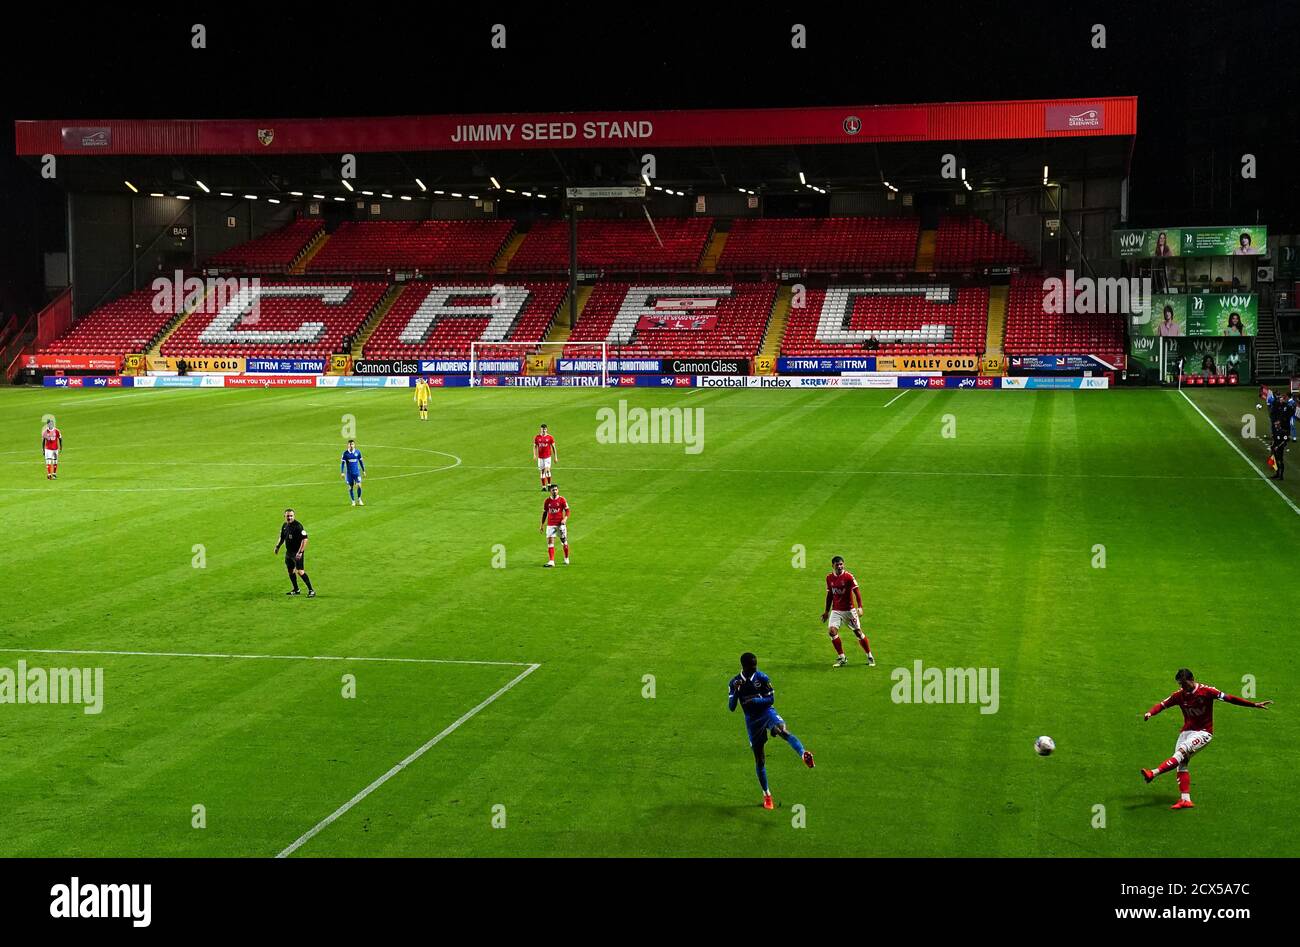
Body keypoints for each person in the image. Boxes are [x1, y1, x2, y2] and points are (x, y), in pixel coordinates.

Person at [1141, 668, 1270, 809]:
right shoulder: (1179, 695)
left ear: (1192, 680)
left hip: (1203, 732)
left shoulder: (1207, 691)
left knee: (1180, 753)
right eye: (1180, 685)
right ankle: (1185, 800)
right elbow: (1162, 705)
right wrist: (1150, 713)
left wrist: (1253, 704)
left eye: (1184, 684)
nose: (1182, 687)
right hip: (1186, 732)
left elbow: (1230, 698)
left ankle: (1153, 773)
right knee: (1181, 764)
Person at [728, 652, 815, 810]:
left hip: (766, 712)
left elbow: (771, 699)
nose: (755, 669)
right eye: (752, 667)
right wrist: (737, 692)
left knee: (784, 730)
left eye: (756, 666)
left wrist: (756, 700)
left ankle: (803, 754)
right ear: (744, 666)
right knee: (760, 759)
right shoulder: (734, 682)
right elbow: (732, 707)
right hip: (752, 721)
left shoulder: (762, 678)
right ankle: (767, 795)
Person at [821, 556, 875, 667]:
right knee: (832, 631)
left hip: (849, 610)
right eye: (837, 565)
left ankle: (869, 655)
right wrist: (826, 611)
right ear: (833, 566)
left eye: (841, 564)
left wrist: (860, 607)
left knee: (858, 633)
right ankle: (842, 657)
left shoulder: (849, 577)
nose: (840, 566)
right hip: (836, 610)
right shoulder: (829, 578)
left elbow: (857, 592)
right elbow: (830, 595)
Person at [274, 508, 315, 597]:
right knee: (290, 570)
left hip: (297, 553)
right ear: (284, 516)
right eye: (288, 516)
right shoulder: (284, 525)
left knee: (300, 571)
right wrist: (277, 546)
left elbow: (305, 539)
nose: (289, 517)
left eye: (291, 516)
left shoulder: (298, 526)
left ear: (294, 516)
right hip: (288, 553)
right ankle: (296, 589)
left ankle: (311, 590)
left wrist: (300, 552)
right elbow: (282, 537)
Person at [539, 483, 570, 567]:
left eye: (556, 490)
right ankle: (551, 561)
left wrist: (565, 519)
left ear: (558, 490)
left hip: (560, 525)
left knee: (564, 541)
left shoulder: (562, 500)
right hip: (550, 525)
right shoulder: (547, 501)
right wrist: (542, 524)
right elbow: (545, 513)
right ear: (550, 491)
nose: (555, 491)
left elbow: (567, 511)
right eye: (553, 490)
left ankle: (566, 558)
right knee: (550, 542)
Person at [340, 439, 366, 506]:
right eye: (350, 444)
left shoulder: (358, 452)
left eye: (352, 444)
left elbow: (361, 462)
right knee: (350, 487)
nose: (351, 446)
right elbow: (342, 463)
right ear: (347, 445)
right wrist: (342, 472)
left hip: (356, 473)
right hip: (349, 474)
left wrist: (363, 471)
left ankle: (359, 499)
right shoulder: (345, 453)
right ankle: (353, 501)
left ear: (354, 445)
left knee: (359, 486)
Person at [533, 423, 557, 490]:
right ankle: (544, 487)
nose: (544, 431)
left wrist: (555, 457)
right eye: (542, 429)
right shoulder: (537, 437)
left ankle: (549, 485)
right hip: (540, 458)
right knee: (542, 471)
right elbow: (535, 447)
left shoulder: (550, 437)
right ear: (540, 429)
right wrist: (534, 455)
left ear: (546, 429)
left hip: (547, 457)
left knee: (547, 470)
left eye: (545, 429)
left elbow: (553, 447)